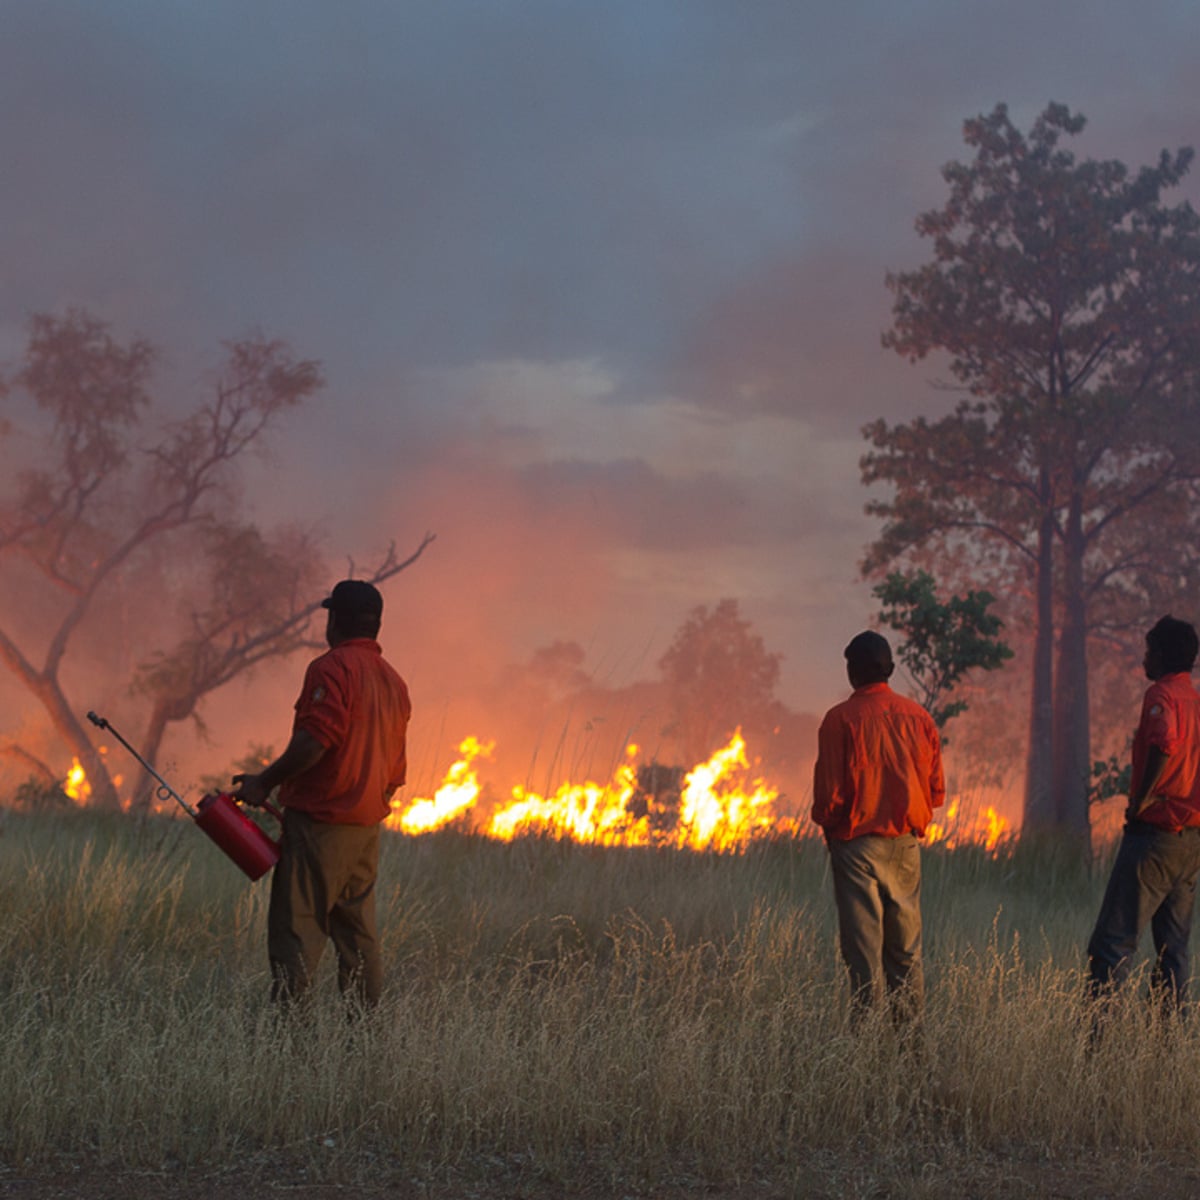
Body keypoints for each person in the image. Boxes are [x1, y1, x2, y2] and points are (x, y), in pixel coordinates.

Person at [234, 579, 411, 1009]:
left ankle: (290, 1038)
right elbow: (395, 772)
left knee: (297, 931)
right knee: (358, 939)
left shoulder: (331, 669)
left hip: (321, 826)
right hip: (365, 830)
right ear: (376, 624)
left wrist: (264, 782)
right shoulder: (394, 682)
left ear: (336, 621)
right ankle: (361, 1035)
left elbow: (315, 740)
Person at [812, 630, 945, 1024]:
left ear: (852, 672)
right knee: (906, 955)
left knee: (863, 956)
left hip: (855, 848)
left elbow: (829, 799)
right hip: (905, 847)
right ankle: (911, 1050)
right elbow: (936, 791)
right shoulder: (919, 718)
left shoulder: (839, 720)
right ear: (890, 669)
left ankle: (866, 1049)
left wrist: (832, 832)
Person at [1087, 615, 1200, 1009]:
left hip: (1154, 837)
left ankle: (1096, 1038)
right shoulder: (1196, 702)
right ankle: (1167, 1038)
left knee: (1112, 943)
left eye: (1150, 651)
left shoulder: (1161, 695)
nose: (1144, 659)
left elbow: (1164, 743)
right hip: (1190, 843)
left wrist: (1141, 801)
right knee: (1174, 950)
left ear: (1164, 655)